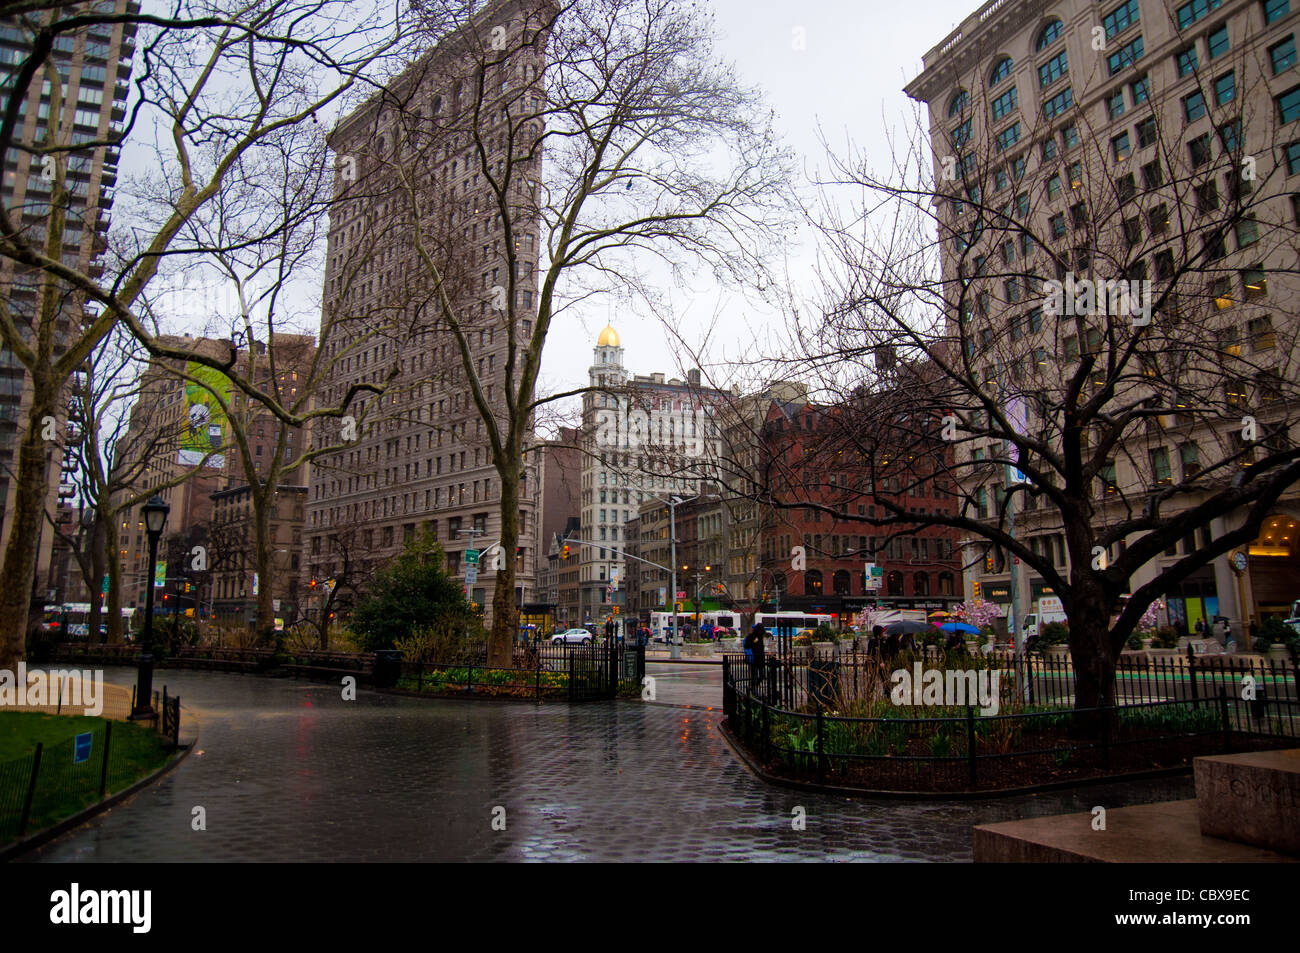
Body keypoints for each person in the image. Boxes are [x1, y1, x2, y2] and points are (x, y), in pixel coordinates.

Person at [743, 623, 767, 696]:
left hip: (761, 659)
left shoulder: (760, 637)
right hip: (754, 659)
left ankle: (753, 686)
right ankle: (754, 692)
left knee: (762, 676)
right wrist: (754, 642)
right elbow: (747, 645)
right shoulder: (751, 636)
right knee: (754, 676)